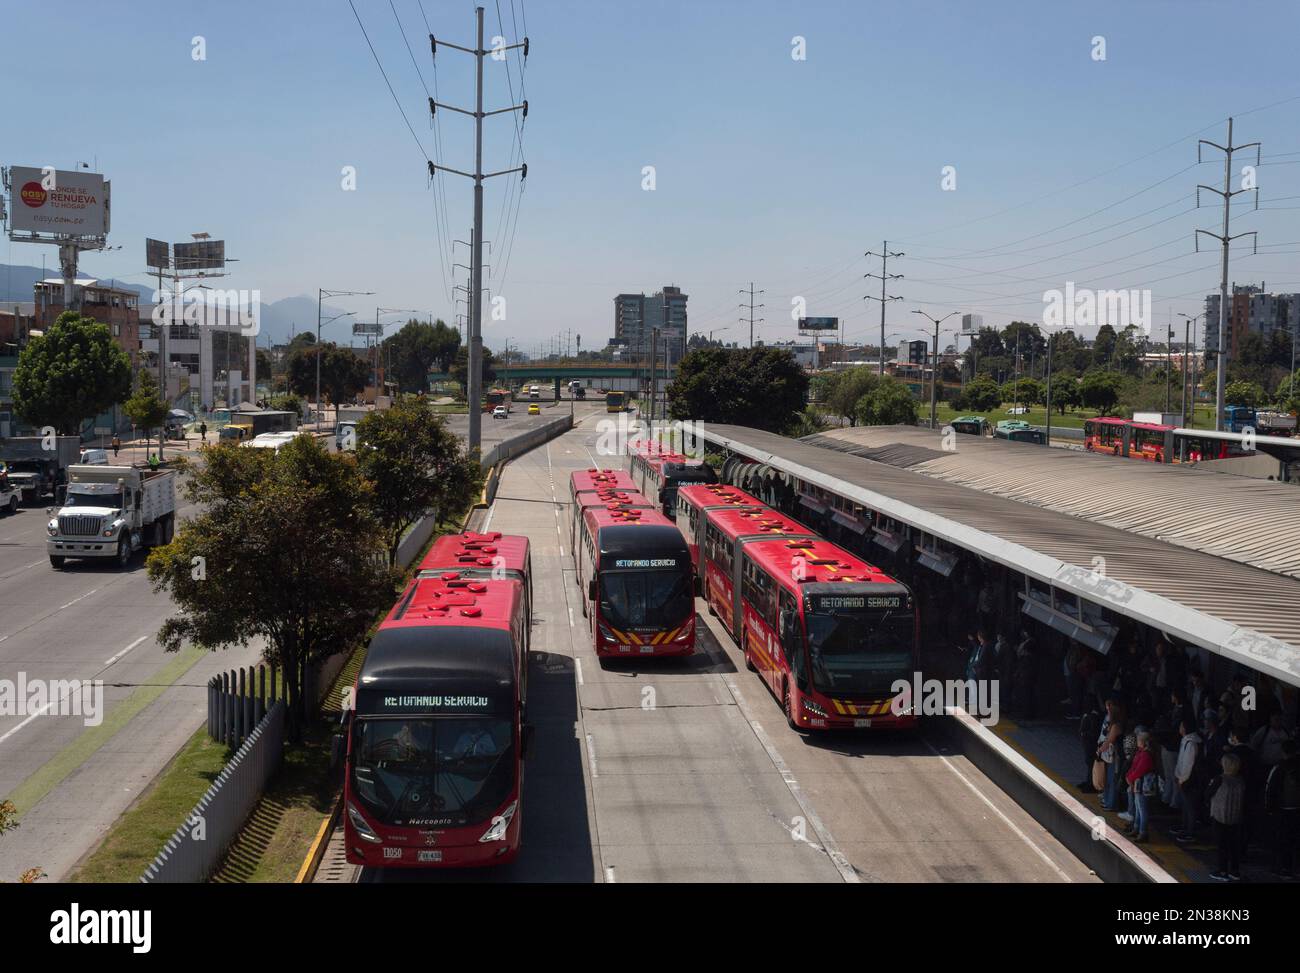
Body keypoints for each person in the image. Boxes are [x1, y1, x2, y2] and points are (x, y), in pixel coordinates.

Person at [1207, 752, 1247, 881]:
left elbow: (1207, 794)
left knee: (1221, 845)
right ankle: (1235, 871)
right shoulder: (1241, 780)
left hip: (1219, 816)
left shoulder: (1219, 779)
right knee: (1234, 845)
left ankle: (1222, 871)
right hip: (1236, 817)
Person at [1264, 740, 1300, 878]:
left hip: (1282, 808)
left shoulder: (1279, 767)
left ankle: (1283, 868)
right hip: (1297, 808)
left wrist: (1269, 808)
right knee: (1295, 839)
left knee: (1282, 839)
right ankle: (1295, 867)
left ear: (1283, 751)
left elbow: (1270, 788)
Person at [1173, 718, 1204, 842]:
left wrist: (1182, 779)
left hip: (1189, 780)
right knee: (1186, 805)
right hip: (1185, 778)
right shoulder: (1187, 741)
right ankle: (1185, 827)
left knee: (1189, 806)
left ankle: (1190, 831)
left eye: (1181, 725)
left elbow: (1188, 763)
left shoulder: (1191, 743)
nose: (1179, 728)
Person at [1124, 728, 1155, 842]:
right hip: (1138, 784)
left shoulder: (1146, 755)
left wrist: (1130, 778)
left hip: (1143, 785)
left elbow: (1140, 770)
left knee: (1142, 809)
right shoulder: (1141, 752)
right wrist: (1129, 776)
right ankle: (1137, 828)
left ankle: (1143, 832)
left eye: (1138, 740)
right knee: (1138, 808)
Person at [1098, 698, 1126, 811]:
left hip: (1115, 756)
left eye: (1109, 707)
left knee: (1112, 779)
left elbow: (1109, 740)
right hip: (1110, 755)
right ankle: (1108, 799)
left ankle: (1111, 803)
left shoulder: (1116, 725)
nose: (1107, 709)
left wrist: (1099, 750)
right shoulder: (1113, 722)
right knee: (1109, 779)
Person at [1078, 701, 1103, 793]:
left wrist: (1084, 734)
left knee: (1091, 764)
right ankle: (1089, 781)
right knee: (1089, 764)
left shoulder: (1093, 717)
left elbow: (1093, 733)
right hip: (1087, 744)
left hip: (1091, 745)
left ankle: (1091, 784)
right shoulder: (1088, 715)